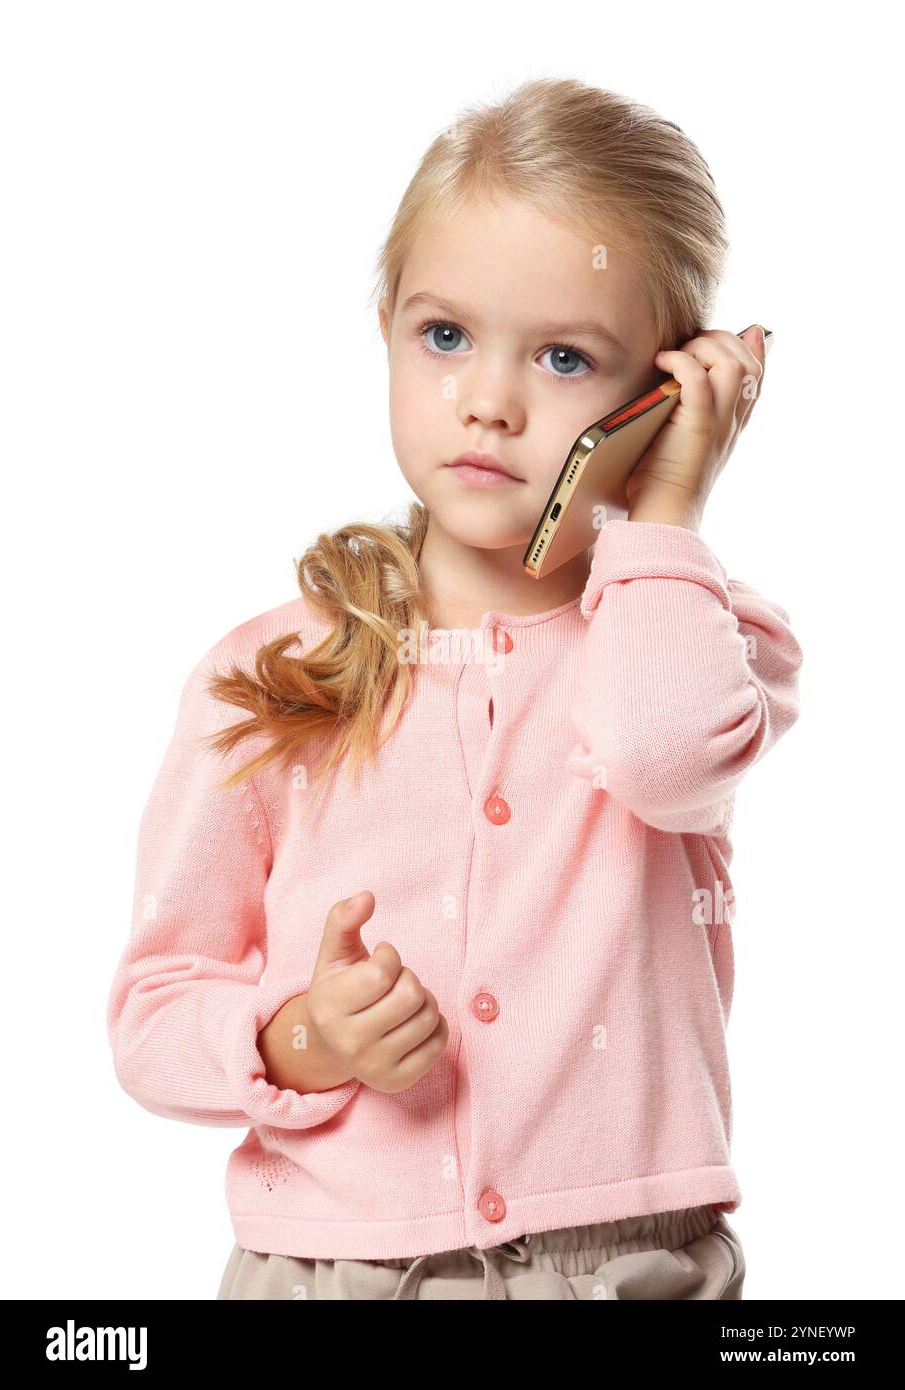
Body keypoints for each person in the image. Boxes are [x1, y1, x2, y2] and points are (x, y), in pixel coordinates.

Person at [106, 76, 803, 1300]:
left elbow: (658, 753)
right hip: (330, 1267)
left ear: (661, 396)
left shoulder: (702, 631)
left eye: (564, 356)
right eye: (445, 336)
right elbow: (155, 1009)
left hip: (623, 1267)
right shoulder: (266, 678)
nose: (489, 397)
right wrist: (300, 1038)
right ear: (385, 327)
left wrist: (671, 507)